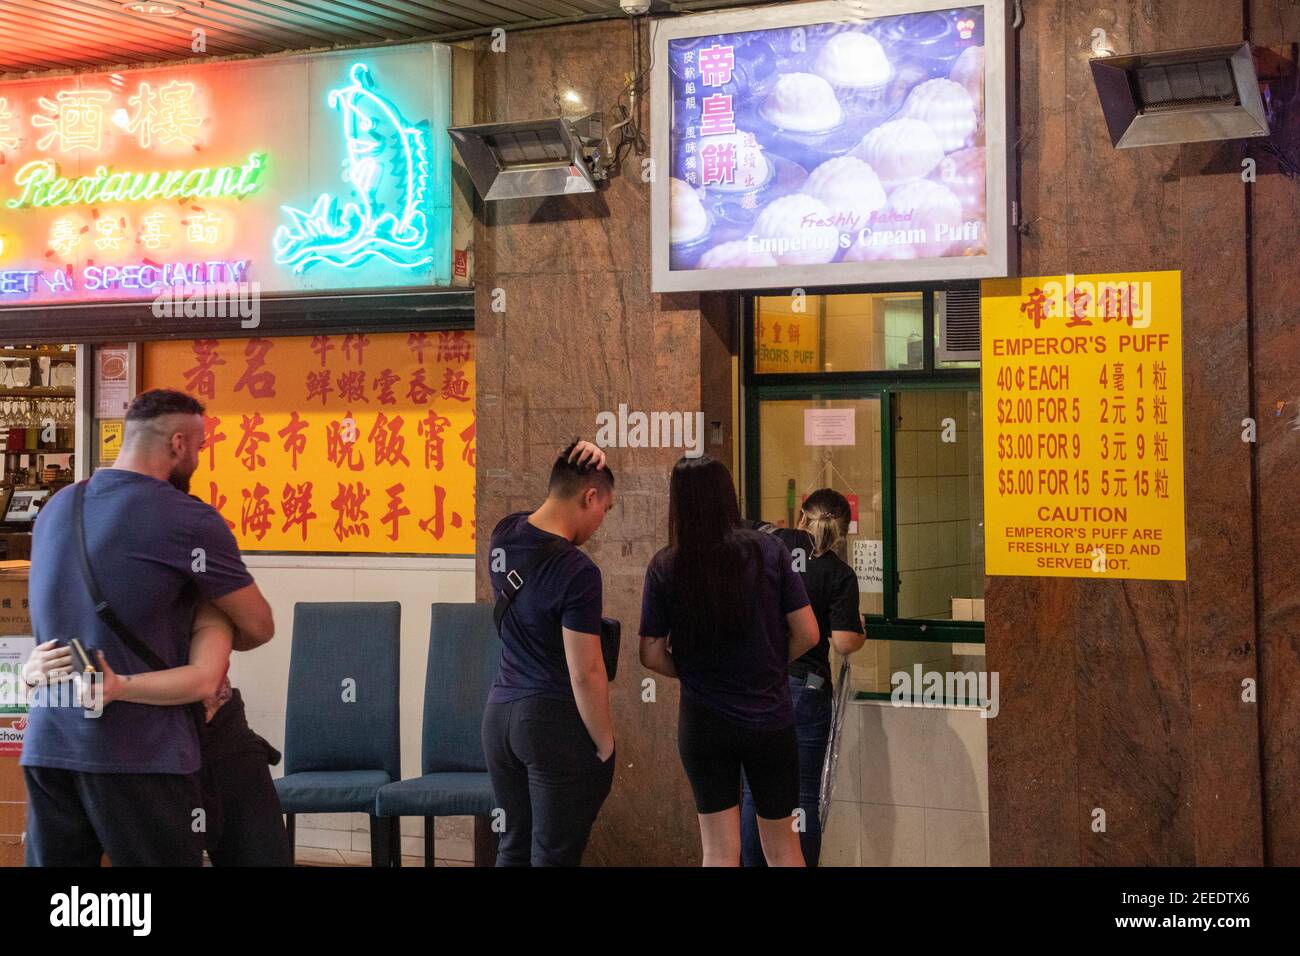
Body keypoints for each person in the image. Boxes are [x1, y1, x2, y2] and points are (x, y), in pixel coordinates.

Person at [21, 388, 278, 867]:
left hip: (50, 742)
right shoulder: (187, 517)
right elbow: (260, 626)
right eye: (199, 449)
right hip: (136, 750)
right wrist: (212, 616)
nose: (198, 460)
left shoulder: (57, 507)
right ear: (178, 444)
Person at [639, 456, 819, 866]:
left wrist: (691, 672)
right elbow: (808, 632)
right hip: (769, 720)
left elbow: (650, 652)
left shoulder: (666, 564)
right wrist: (771, 663)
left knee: (718, 851)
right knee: (784, 848)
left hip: (703, 725)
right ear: (728, 496)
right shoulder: (769, 551)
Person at [23, 601, 291, 866]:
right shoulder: (69, 587)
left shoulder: (190, 580)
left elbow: (250, 636)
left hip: (217, 737)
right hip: (132, 753)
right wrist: (29, 677)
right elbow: (37, 697)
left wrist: (120, 687)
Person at [481, 439, 616, 866]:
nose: (599, 523)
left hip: (498, 719)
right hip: (548, 724)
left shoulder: (504, 534)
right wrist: (605, 743)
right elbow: (586, 671)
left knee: (513, 847)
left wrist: (577, 451)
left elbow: (539, 513)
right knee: (553, 856)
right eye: (603, 510)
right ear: (589, 496)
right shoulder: (577, 571)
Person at [740, 489, 866, 867]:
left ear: (799, 517)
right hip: (807, 690)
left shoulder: (769, 546)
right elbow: (843, 642)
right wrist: (862, 631)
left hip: (757, 685)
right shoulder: (839, 573)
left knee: (753, 792)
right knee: (804, 794)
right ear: (843, 532)